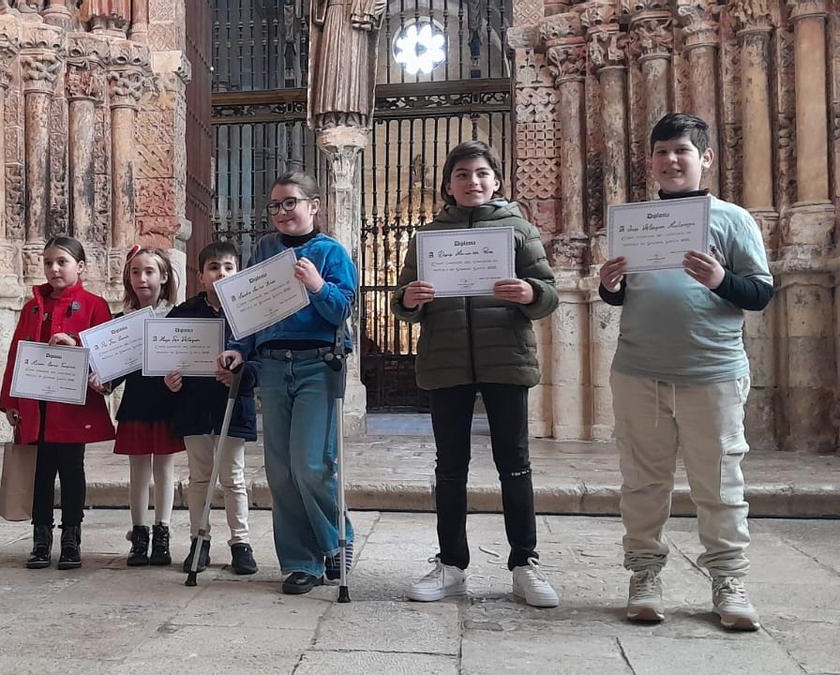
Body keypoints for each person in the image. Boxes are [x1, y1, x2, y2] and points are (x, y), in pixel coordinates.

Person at [599, 113, 773, 631]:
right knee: (643, 483)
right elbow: (628, 293)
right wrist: (611, 285)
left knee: (719, 483)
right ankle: (644, 574)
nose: (671, 161)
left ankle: (728, 580)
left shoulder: (733, 219)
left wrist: (722, 279)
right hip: (639, 370)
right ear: (650, 161)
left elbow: (760, 292)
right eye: (661, 152)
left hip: (712, 371)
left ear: (705, 160)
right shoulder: (636, 221)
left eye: (682, 151)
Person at [391, 140, 560, 608]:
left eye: (482, 173)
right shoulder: (427, 237)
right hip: (446, 361)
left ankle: (525, 563)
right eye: (462, 175)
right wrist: (409, 299)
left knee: (515, 463)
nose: (473, 182)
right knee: (450, 467)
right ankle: (451, 566)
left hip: (505, 357)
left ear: (497, 180)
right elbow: (403, 299)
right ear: (448, 185)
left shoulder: (520, 231)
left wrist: (529, 292)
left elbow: (549, 292)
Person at [217, 171, 357, 595]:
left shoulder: (331, 251)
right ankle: (301, 563)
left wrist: (317, 286)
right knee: (280, 471)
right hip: (274, 366)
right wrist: (238, 347)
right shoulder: (264, 250)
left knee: (311, 465)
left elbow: (342, 309)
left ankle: (337, 538)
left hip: (318, 364)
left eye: (290, 202)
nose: (282, 212)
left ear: (314, 206)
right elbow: (250, 307)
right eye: (275, 205)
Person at [0, 236, 115, 571]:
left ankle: (70, 538)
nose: (54, 268)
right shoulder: (32, 306)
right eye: (48, 262)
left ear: (80, 266)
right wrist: (10, 401)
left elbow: (106, 351)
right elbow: (14, 355)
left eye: (62, 262)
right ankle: (40, 539)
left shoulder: (95, 305)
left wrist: (75, 342)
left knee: (72, 472)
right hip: (37, 404)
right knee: (40, 473)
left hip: (72, 406)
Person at [164, 241, 259, 576]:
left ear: (238, 272)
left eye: (229, 267)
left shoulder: (249, 312)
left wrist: (240, 375)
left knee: (233, 477)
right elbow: (167, 358)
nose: (221, 273)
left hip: (234, 407)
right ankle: (198, 540)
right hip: (194, 407)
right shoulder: (183, 314)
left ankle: (241, 543)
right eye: (214, 267)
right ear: (201, 275)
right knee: (200, 478)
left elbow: (260, 360)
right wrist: (170, 380)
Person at [112, 247, 184, 567]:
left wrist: (181, 380)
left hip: (167, 402)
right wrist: (104, 382)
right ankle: (139, 536)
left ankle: (163, 533)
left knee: (164, 470)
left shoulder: (177, 317)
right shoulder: (121, 321)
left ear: (164, 276)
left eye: (150, 272)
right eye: (135, 272)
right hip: (136, 402)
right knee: (137, 471)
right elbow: (116, 365)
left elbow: (187, 358)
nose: (142, 278)